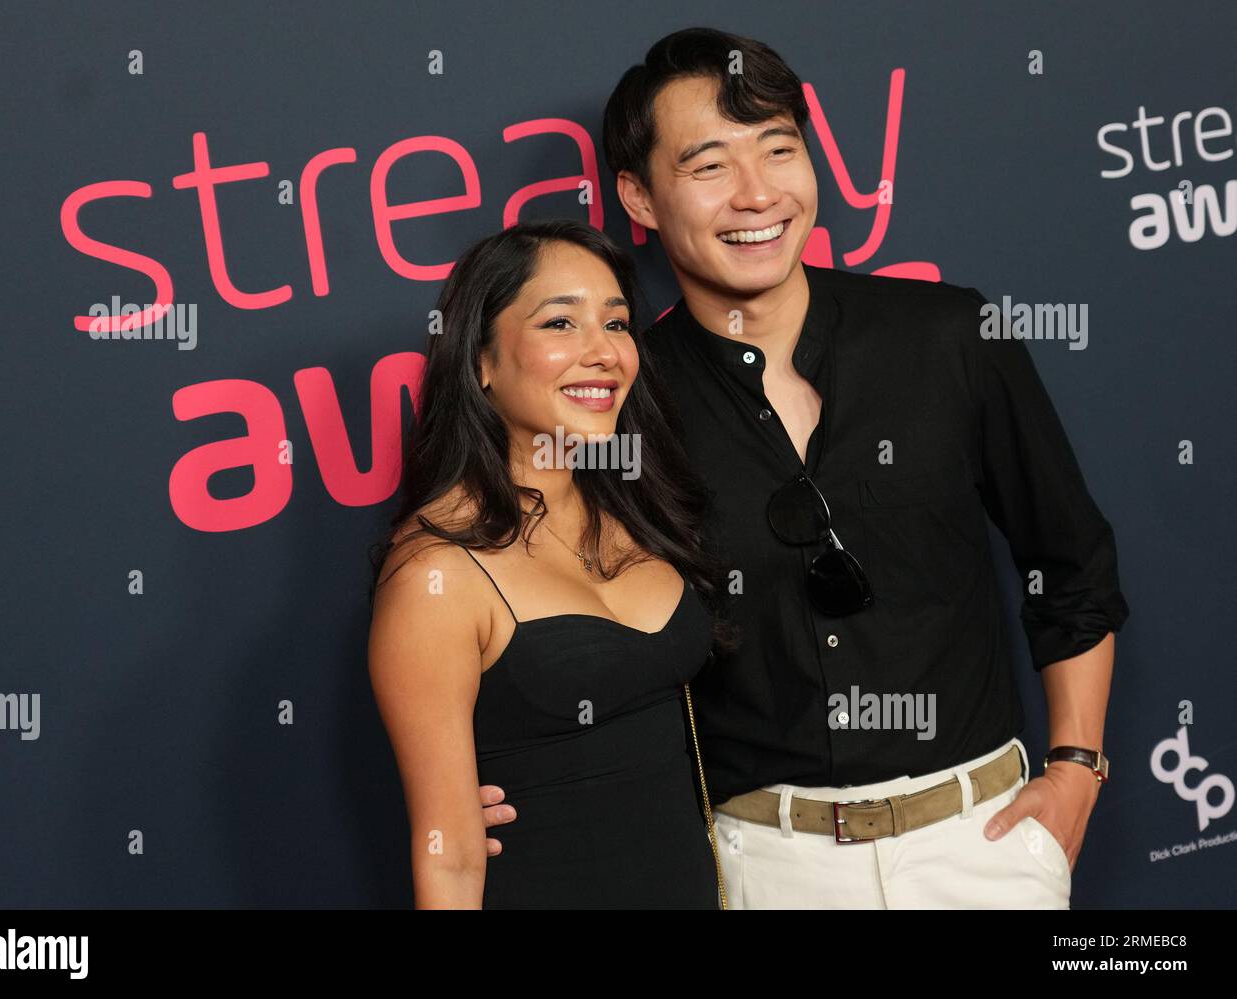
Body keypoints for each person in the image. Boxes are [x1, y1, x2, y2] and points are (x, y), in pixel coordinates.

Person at [478, 27, 1129, 909]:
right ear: (638, 195)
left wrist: (1078, 768)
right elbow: (531, 592)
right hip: (761, 863)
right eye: (708, 164)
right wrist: (495, 781)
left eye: (778, 148)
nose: (757, 193)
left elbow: (1072, 564)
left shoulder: (948, 336)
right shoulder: (624, 397)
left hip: (989, 847)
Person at [367, 219, 733, 908]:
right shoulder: (435, 576)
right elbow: (448, 862)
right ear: (480, 360)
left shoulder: (641, 509)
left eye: (617, 324)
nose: (602, 353)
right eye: (560, 324)